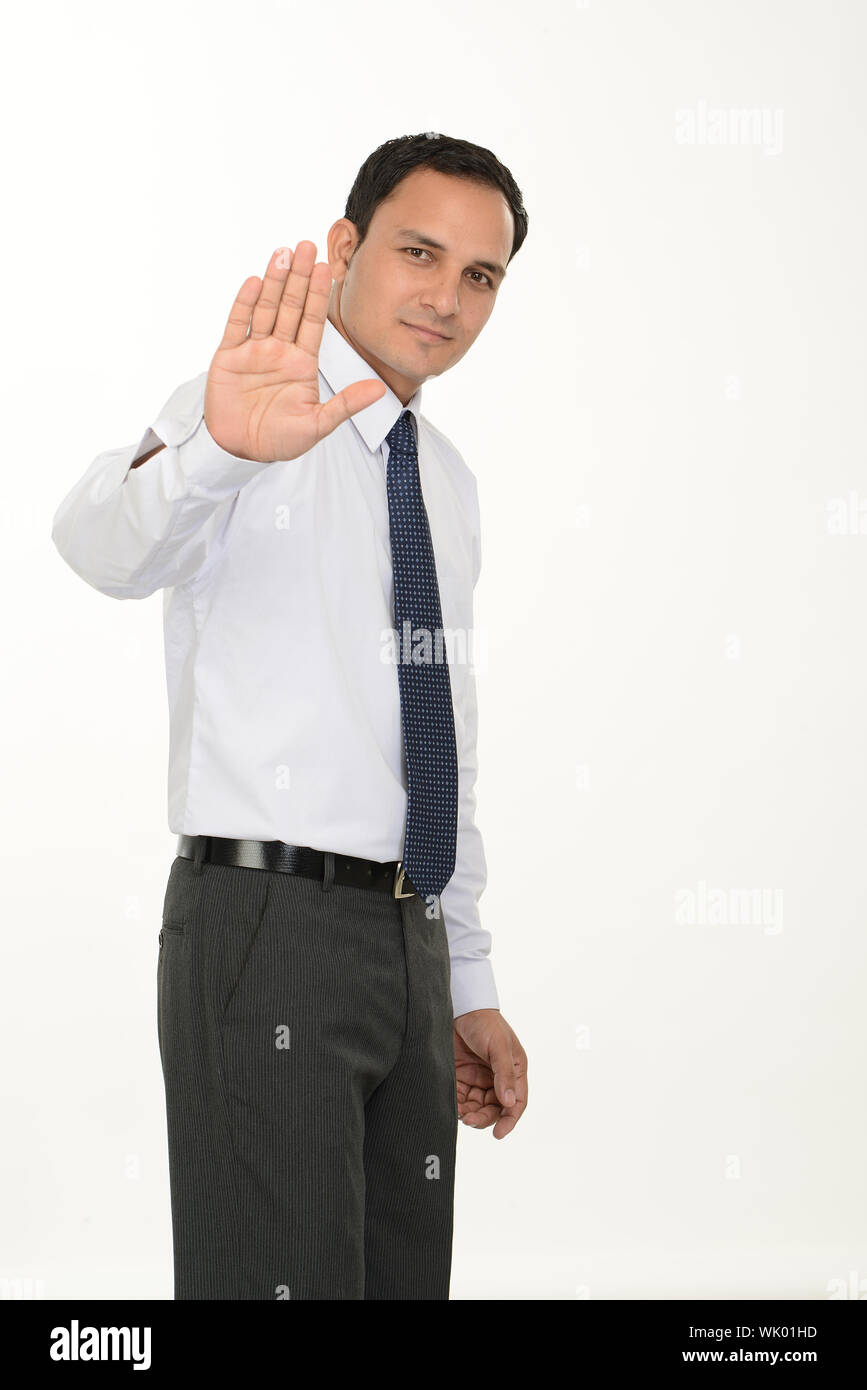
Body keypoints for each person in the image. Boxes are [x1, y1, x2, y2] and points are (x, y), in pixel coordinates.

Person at [51, 131, 529, 1301]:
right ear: (346, 245)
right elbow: (97, 545)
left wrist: (467, 979)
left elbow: (441, 742)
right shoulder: (252, 404)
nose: (448, 298)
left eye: (481, 276)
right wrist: (215, 448)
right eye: (421, 252)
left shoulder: (447, 480)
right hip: (265, 927)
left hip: (407, 943)